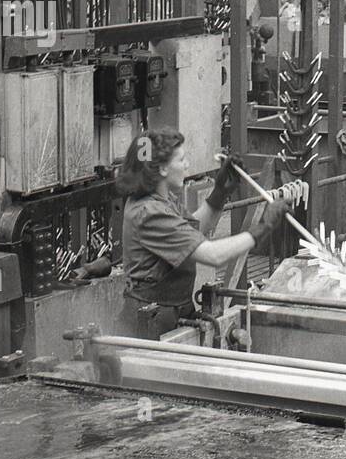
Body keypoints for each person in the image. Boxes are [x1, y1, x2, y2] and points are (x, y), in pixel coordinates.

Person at [116, 130, 288, 339]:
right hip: (151, 322)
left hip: (171, 312)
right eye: (182, 159)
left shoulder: (161, 199)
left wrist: (220, 193)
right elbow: (213, 256)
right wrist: (262, 227)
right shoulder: (149, 213)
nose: (187, 164)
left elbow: (193, 233)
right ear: (162, 168)